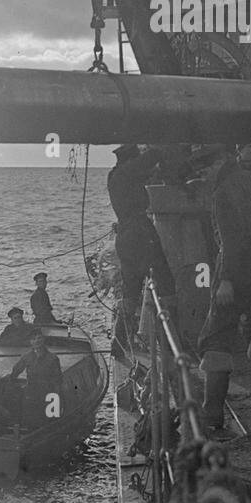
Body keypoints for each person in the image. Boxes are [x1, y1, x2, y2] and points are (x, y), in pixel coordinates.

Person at [195, 145, 251, 426]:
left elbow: (230, 241)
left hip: (237, 269)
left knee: (216, 336)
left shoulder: (223, 191)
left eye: (207, 167)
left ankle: (212, 414)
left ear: (221, 161)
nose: (204, 173)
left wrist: (225, 279)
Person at [107, 144, 176, 358]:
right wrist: (162, 144)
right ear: (130, 159)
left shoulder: (116, 176)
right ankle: (171, 345)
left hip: (126, 235)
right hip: (140, 233)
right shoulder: (126, 172)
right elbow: (148, 160)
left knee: (131, 290)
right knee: (165, 284)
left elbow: (142, 173)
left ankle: (118, 343)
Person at [10, 332, 65, 430]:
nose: (37, 341)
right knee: (31, 421)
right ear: (30, 342)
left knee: (49, 422)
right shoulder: (27, 357)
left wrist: (56, 400)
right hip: (32, 393)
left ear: (43, 340)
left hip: (48, 393)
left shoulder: (52, 358)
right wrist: (9, 379)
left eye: (39, 338)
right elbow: (16, 371)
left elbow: (58, 380)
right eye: (33, 339)